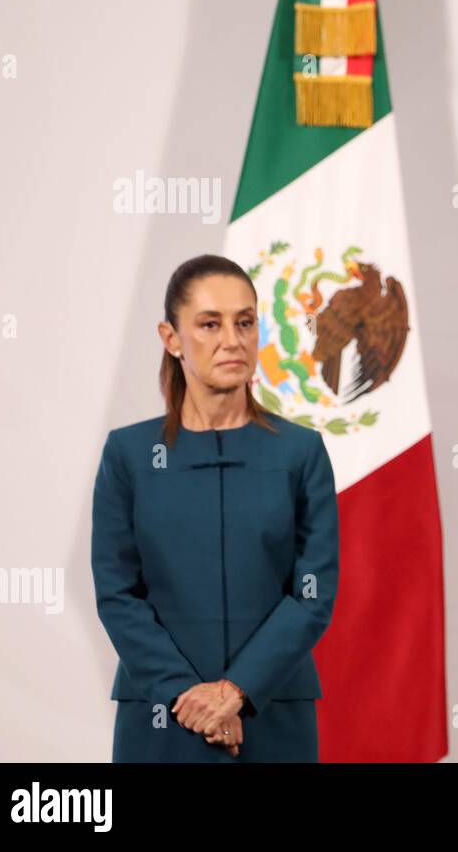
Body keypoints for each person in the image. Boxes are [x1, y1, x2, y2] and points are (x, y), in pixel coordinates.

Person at [92, 254, 340, 761]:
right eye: (210, 324)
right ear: (171, 338)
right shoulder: (128, 455)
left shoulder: (301, 452)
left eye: (245, 322)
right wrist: (190, 698)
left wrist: (235, 693)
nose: (233, 339)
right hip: (162, 719)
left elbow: (312, 595)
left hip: (273, 717)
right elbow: (118, 594)